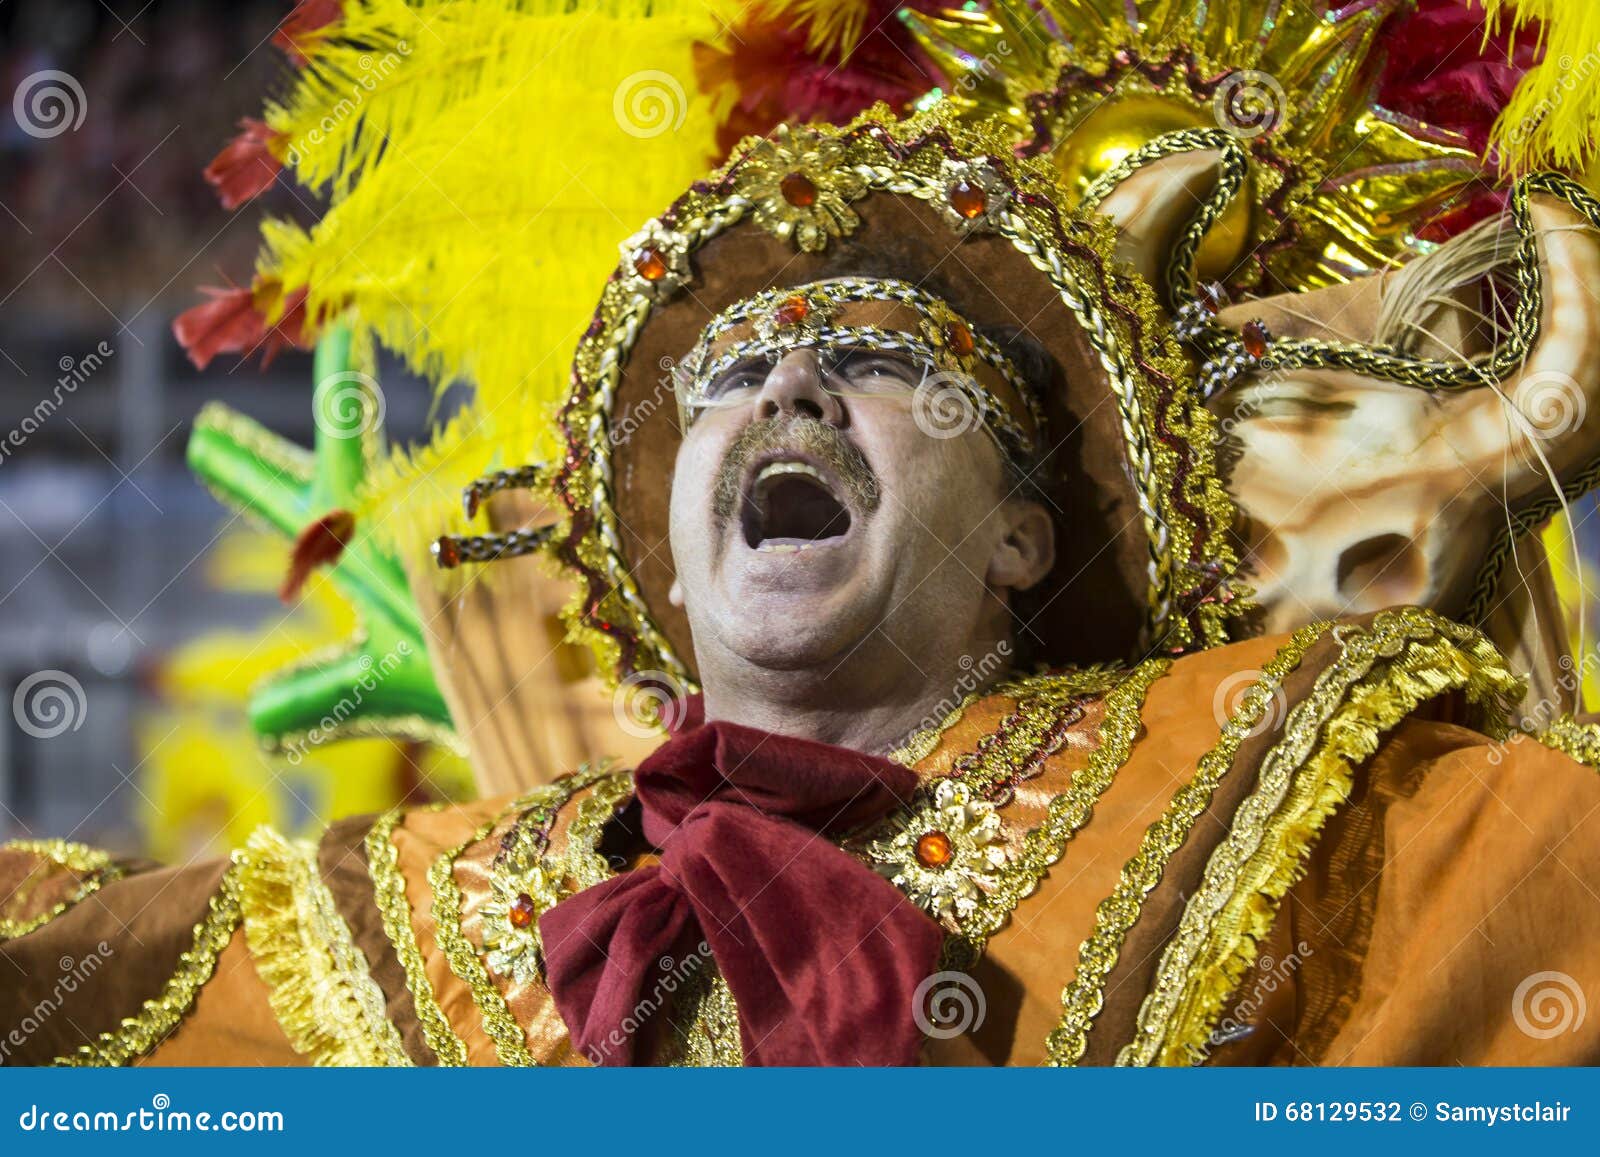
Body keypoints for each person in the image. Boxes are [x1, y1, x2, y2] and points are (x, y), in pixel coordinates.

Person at [5, 106, 1600, 1068]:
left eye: (880, 360)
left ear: (1020, 540)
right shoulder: (451, 905)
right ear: (669, 563)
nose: (787, 389)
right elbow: (72, 984)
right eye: (731, 376)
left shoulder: (1267, 776)